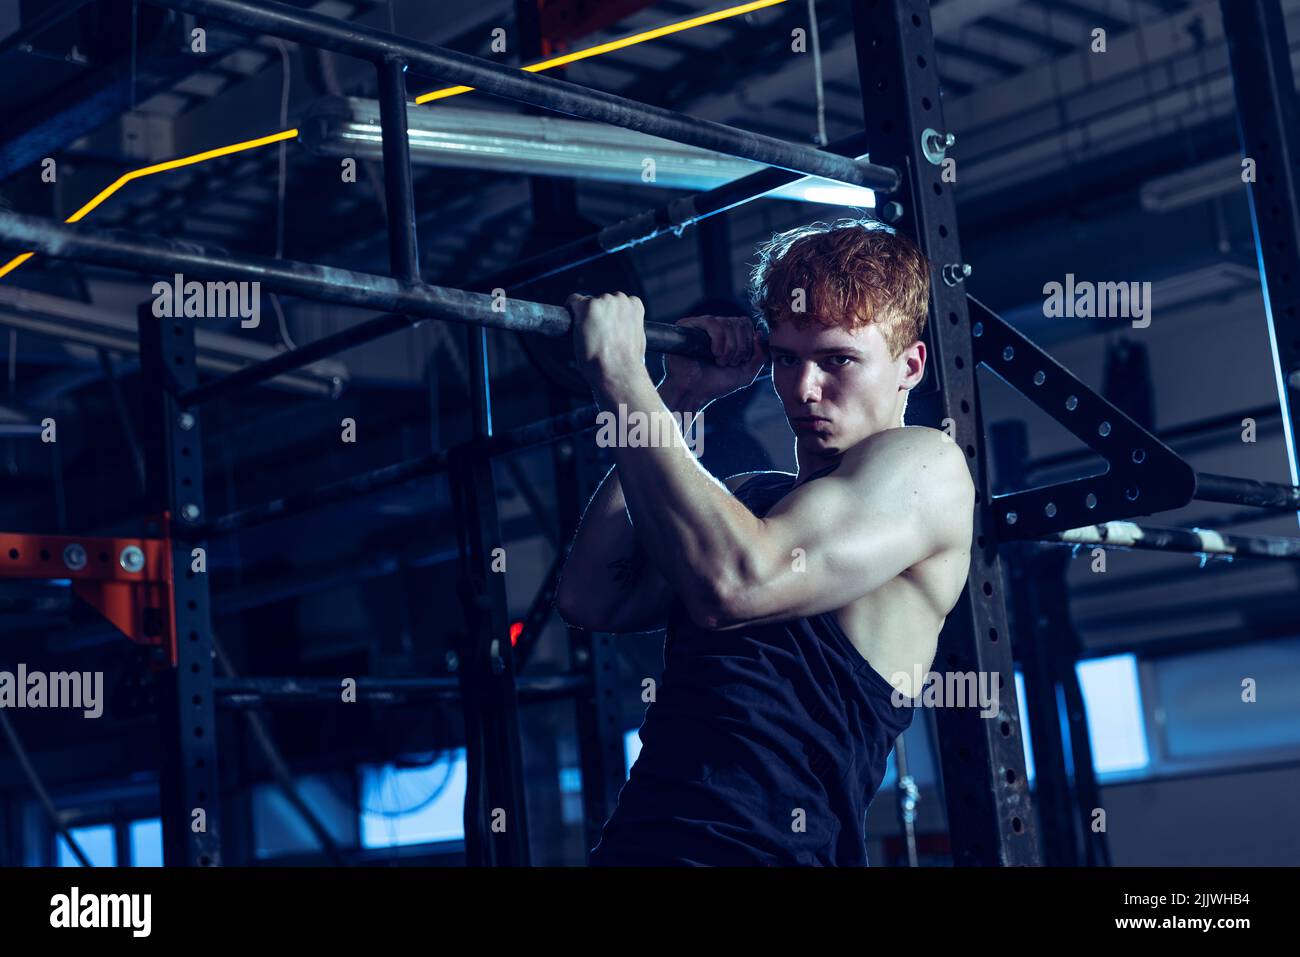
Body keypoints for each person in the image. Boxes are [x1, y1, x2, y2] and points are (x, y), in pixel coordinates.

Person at [555, 218, 974, 866]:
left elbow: (736, 581)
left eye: (837, 359)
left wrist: (623, 380)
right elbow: (591, 597)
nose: (805, 389)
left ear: (909, 364)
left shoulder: (928, 466)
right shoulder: (749, 497)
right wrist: (676, 397)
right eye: (787, 357)